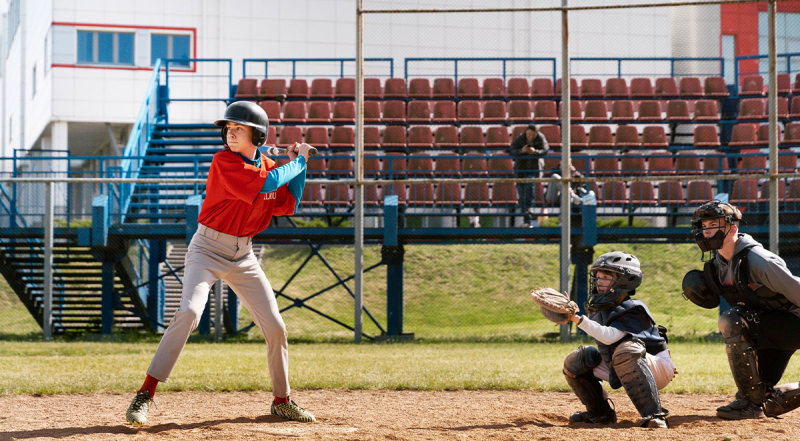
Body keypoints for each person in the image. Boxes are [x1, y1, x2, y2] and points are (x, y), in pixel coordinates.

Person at [125, 101, 316, 426]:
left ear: (258, 136)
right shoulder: (224, 161)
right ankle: (145, 394)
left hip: (244, 256)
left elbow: (289, 204)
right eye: (228, 128)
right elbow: (268, 184)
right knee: (189, 312)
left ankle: (282, 401)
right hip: (207, 249)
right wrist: (298, 160)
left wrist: (301, 166)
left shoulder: (270, 165)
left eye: (239, 129)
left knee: (276, 327)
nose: (231, 133)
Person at [682, 200, 800, 420]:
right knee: (766, 399)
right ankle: (755, 401)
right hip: (771, 326)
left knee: (733, 320)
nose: (706, 231)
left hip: (793, 324)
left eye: (713, 225)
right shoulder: (717, 265)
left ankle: (749, 403)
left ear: (733, 228)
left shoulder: (760, 261)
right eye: (704, 226)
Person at [563, 251, 676, 429]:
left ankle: (655, 415)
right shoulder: (602, 308)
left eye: (606, 276)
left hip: (656, 366)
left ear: (626, 281)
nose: (599, 281)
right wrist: (566, 311)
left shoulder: (633, 309)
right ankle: (600, 414)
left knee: (626, 350)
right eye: (598, 276)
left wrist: (577, 320)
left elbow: (610, 337)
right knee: (577, 360)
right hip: (620, 363)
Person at [508, 124, 549, 228]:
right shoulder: (520, 138)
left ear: (536, 134)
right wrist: (521, 151)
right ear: (526, 132)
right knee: (522, 196)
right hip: (520, 170)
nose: (530, 137)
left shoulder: (541, 137)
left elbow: (545, 150)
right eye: (528, 134)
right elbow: (511, 151)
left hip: (533, 169)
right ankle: (528, 218)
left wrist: (535, 152)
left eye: (532, 135)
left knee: (529, 189)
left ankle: (528, 217)